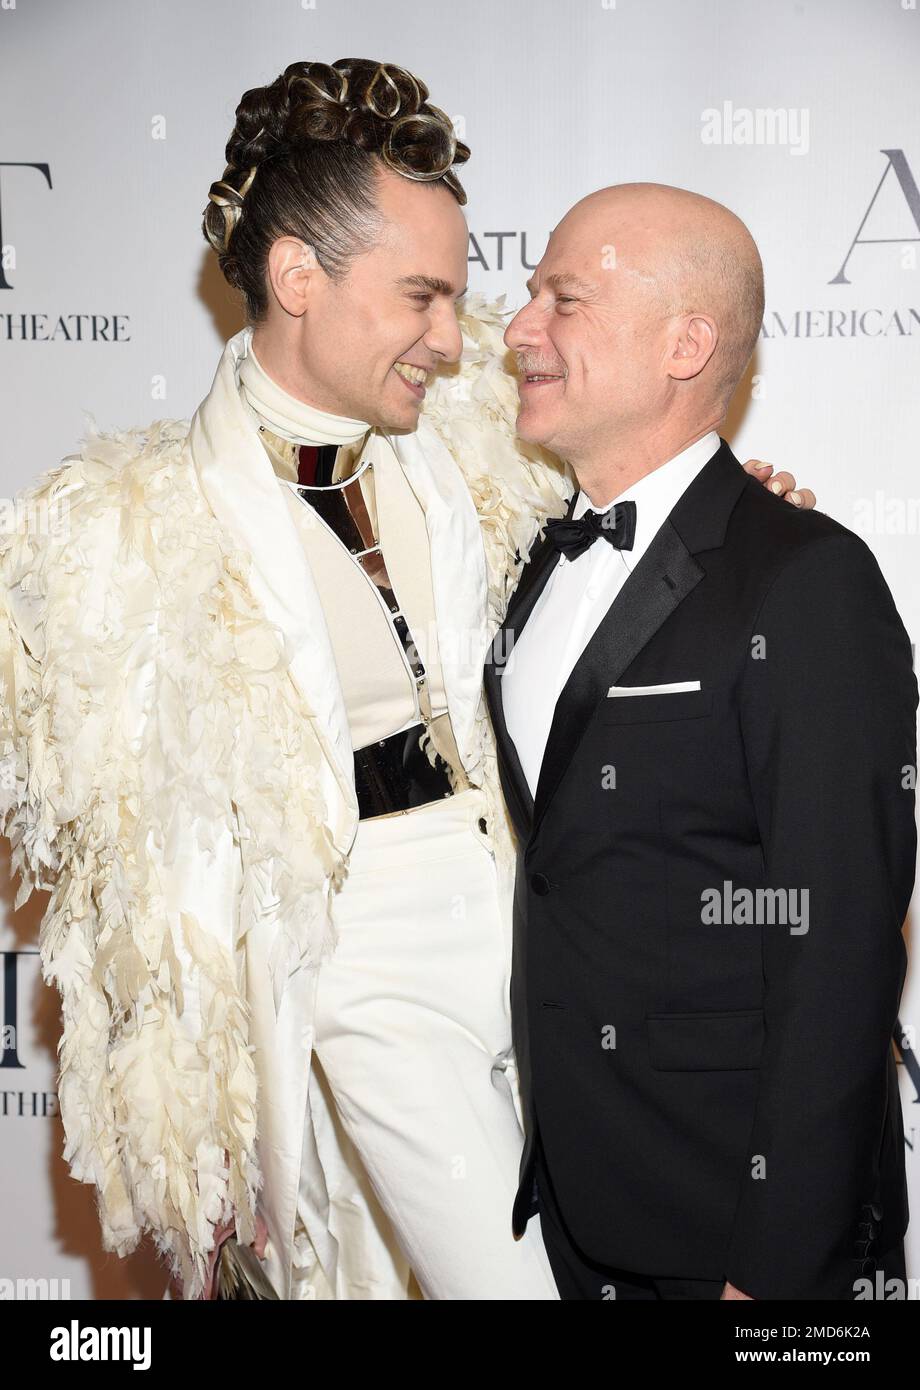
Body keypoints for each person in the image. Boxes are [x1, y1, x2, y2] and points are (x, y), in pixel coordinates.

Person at [0, 63, 812, 1300]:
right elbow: (125, 864)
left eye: (458, 297)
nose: (455, 337)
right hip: (348, 937)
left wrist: (743, 523)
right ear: (295, 280)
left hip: (534, 903)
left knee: (610, 1241)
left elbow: (636, 509)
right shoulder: (133, 523)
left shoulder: (476, 427)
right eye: (421, 297)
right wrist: (202, 1119)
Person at [485, 181, 917, 1301]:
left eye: (562, 298)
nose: (518, 326)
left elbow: (843, 951)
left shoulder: (807, 580)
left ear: (686, 343)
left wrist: (775, 1269)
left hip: (731, 1228)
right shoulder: (536, 563)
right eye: (530, 293)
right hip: (567, 1211)